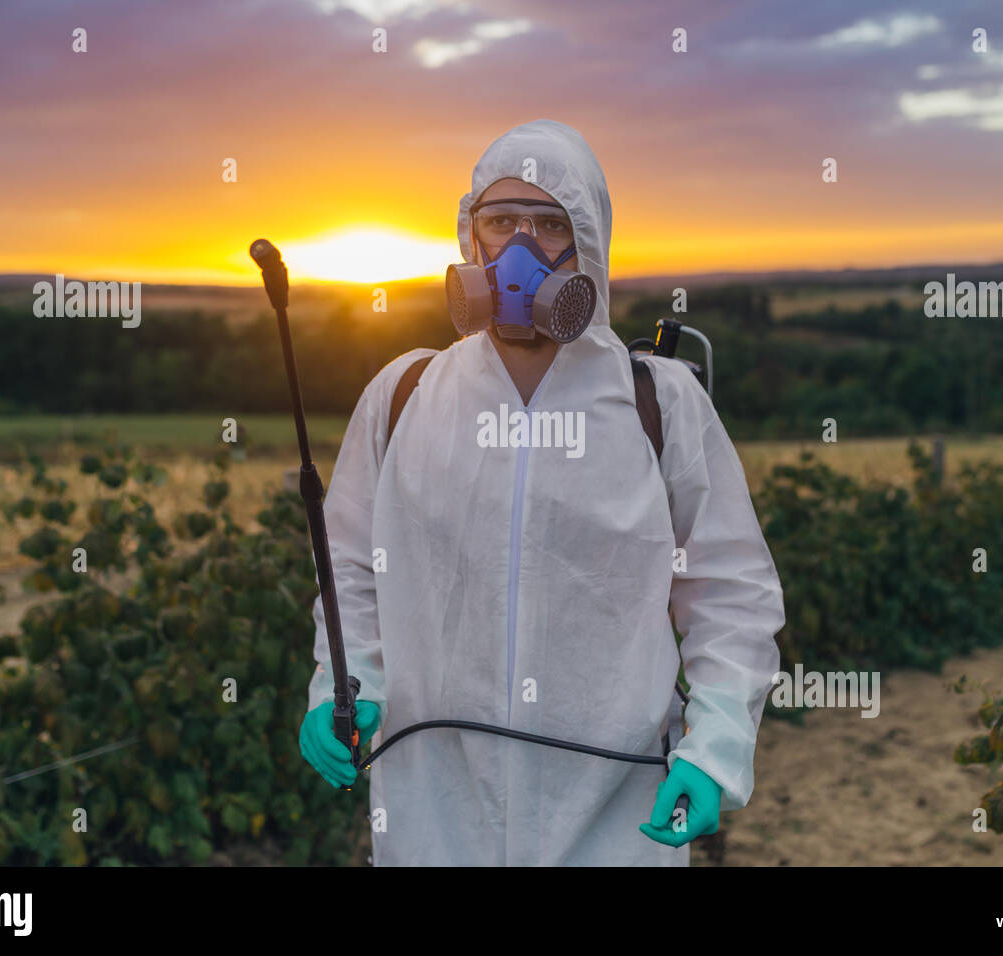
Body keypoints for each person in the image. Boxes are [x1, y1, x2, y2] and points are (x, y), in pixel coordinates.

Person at [299, 119, 784, 866]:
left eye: (549, 224)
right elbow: (352, 570)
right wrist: (343, 681)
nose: (519, 249)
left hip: (615, 822)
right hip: (433, 814)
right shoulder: (404, 396)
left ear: (587, 242)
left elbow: (731, 596)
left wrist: (713, 752)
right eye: (499, 222)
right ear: (471, 240)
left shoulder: (659, 404)